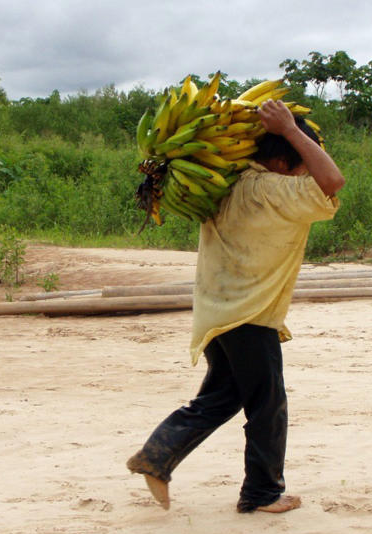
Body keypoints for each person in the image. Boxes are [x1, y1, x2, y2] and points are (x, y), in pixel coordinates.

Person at [126, 99, 345, 513]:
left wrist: (288, 134)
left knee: (223, 396)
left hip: (216, 314)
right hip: (250, 316)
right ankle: (261, 494)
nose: (304, 173)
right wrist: (291, 129)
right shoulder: (274, 191)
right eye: (300, 165)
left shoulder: (229, 185)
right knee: (268, 406)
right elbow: (332, 181)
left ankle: (156, 456)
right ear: (282, 161)